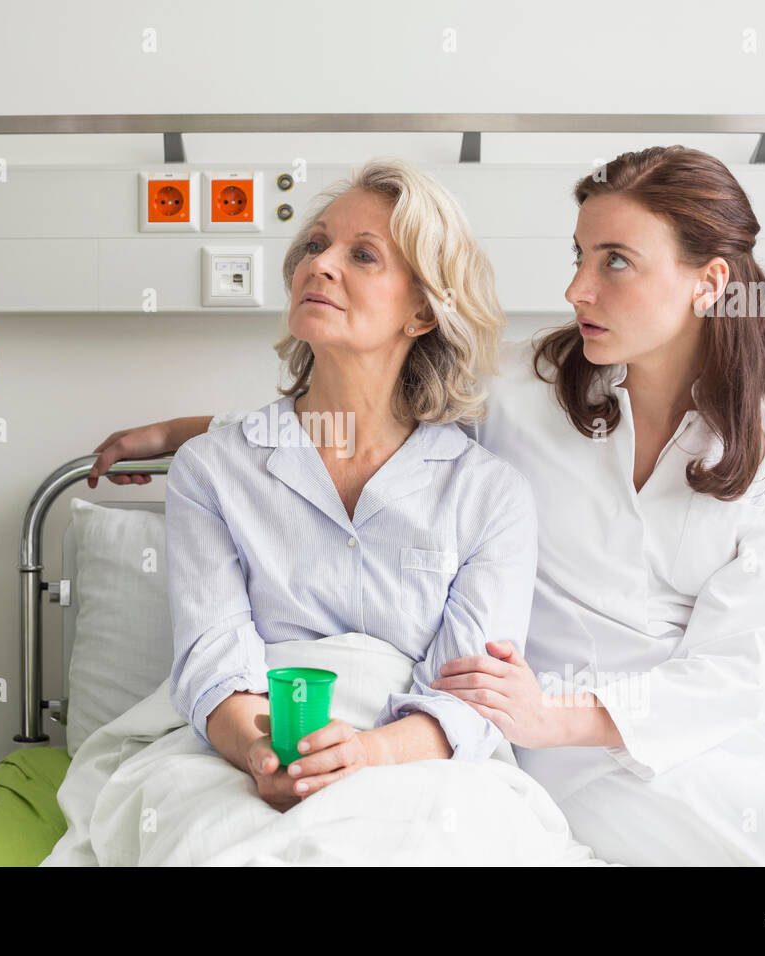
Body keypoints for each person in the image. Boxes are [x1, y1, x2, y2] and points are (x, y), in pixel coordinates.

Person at [89, 147, 765, 866]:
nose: (575, 287)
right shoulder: (531, 389)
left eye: (615, 261)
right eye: (579, 255)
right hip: (544, 733)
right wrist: (186, 432)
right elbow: (360, 407)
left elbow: (739, 665)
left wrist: (563, 716)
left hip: (697, 720)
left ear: (710, 283)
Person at [165, 158, 536, 809]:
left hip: (425, 766)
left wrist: (366, 754)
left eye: (363, 256)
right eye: (315, 245)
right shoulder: (212, 470)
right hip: (245, 756)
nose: (321, 264)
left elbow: (472, 693)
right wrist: (267, 757)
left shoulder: (488, 496)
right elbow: (214, 663)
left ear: (422, 310)